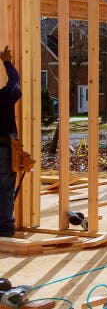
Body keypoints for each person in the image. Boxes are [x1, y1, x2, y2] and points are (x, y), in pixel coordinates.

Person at [0, 46, 21, 237]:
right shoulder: (5, 97)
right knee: (5, 188)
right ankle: (5, 229)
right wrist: (7, 62)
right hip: (3, 150)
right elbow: (15, 82)